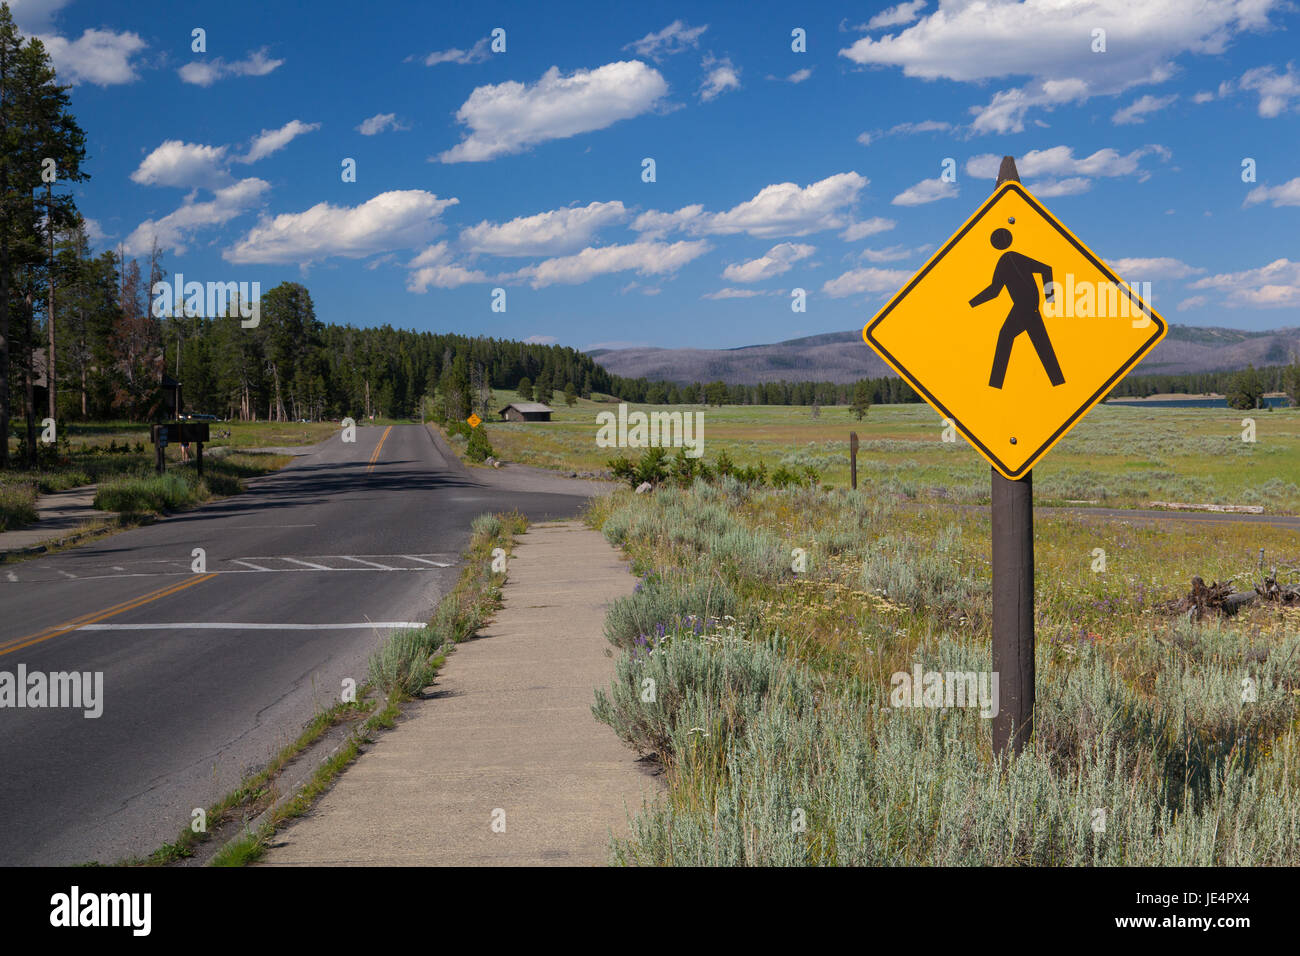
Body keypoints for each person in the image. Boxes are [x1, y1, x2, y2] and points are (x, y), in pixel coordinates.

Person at [968, 228, 1065, 390]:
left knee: (1008, 336)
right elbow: (995, 291)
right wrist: (1049, 298)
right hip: (1028, 306)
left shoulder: (1007, 260)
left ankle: (994, 385)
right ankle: (1058, 383)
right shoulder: (1012, 258)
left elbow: (994, 290)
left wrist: (1051, 298)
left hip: (1024, 307)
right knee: (1040, 344)